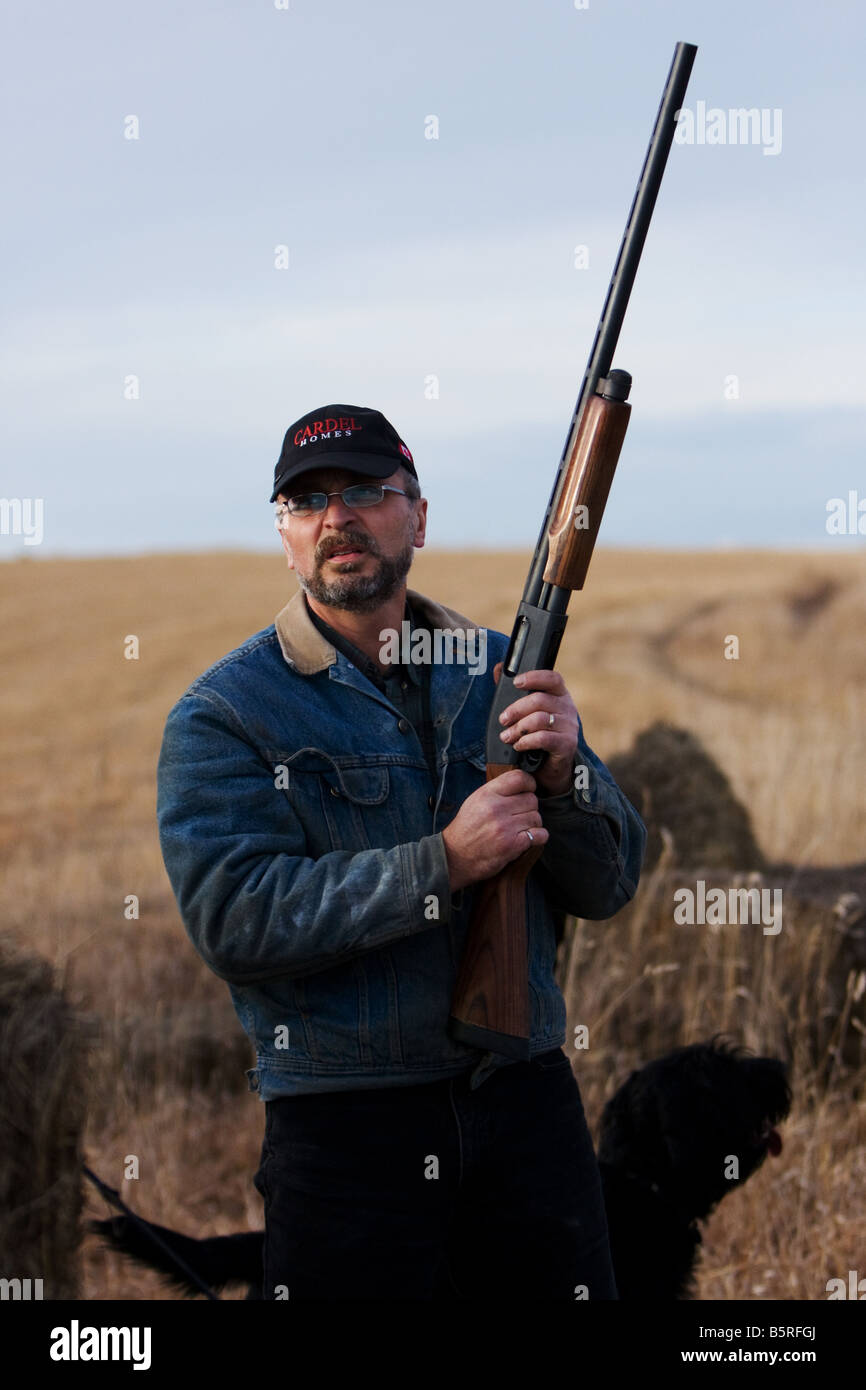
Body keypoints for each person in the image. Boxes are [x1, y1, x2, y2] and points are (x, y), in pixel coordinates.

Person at [157, 402, 646, 1301]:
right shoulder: (227, 714)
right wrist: (445, 864)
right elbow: (236, 918)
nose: (337, 518)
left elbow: (611, 880)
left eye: (367, 492)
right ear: (286, 537)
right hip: (348, 1136)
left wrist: (570, 773)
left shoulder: (499, 671)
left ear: (417, 516)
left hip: (526, 1107)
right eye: (306, 502)